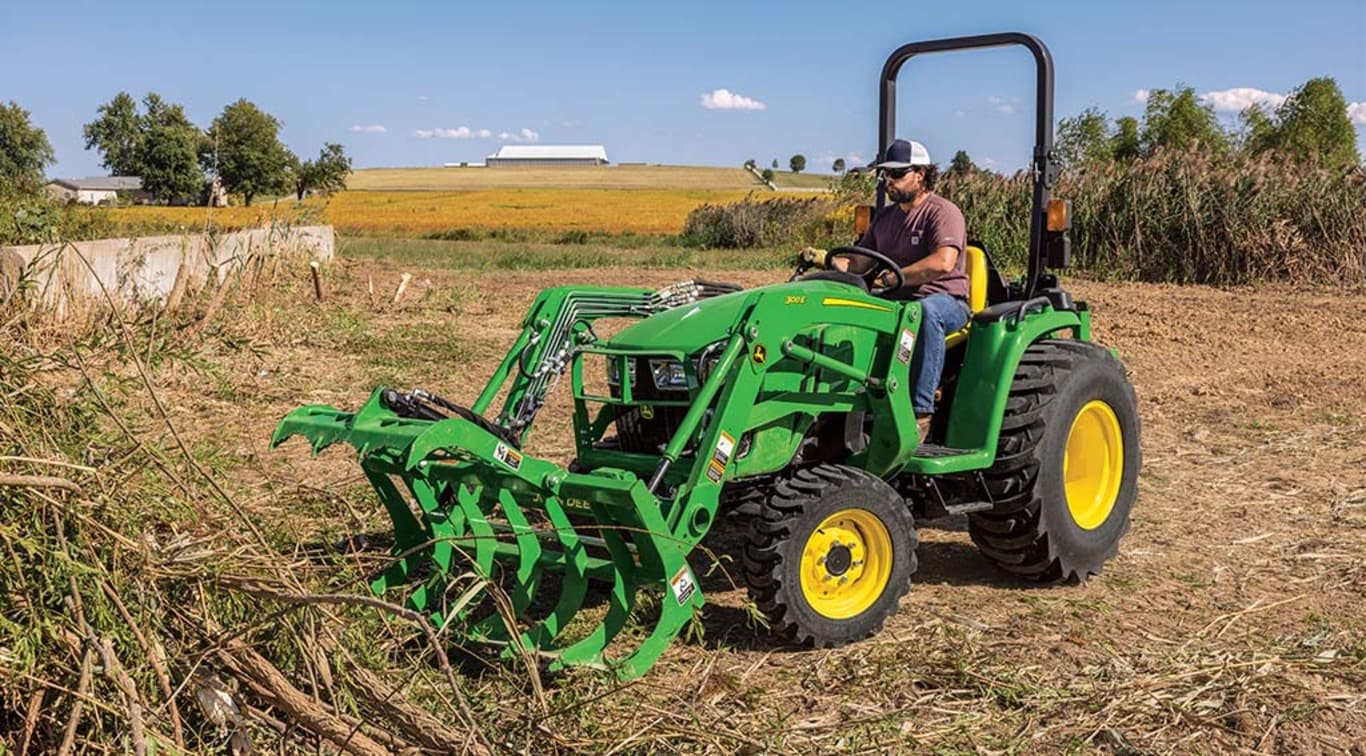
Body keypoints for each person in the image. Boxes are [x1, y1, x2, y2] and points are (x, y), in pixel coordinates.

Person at [807, 138, 971, 438]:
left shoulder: (942, 213)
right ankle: (835, 410)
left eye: (896, 175)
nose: (888, 182)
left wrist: (894, 278)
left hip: (945, 302)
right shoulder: (885, 219)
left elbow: (943, 263)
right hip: (895, 302)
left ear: (919, 175)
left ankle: (920, 413)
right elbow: (858, 264)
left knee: (925, 312)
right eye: (885, 175)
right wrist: (823, 260)